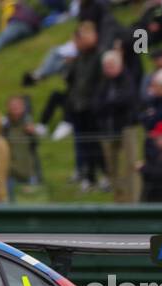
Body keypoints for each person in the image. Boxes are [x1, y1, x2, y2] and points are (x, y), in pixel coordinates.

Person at [65, 21, 105, 191]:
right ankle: (90, 177)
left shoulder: (98, 55)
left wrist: (96, 103)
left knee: (95, 144)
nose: (78, 41)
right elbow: (70, 79)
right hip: (78, 106)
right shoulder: (79, 57)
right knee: (85, 144)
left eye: (81, 37)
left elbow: (99, 82)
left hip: (92, 107)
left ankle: (105, 175)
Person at [97, 49, 141, 203]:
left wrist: (108, 104)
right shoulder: (104, 82)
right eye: (106, 66)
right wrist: (110, 104)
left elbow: (127, 100)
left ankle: (134, 202)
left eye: (111, 65)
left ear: (119, 64)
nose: (108, 69)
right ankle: (119, 201)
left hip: (126, 128)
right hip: (108, 129)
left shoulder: (127, 78)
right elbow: (96, 104)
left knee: (131, 165)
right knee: (112, 169)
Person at [3, 94, 42, 194]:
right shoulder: (4, 127)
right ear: (8, 108)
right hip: (10, 173)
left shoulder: (28, 124)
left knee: (31, 202)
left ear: (24, 107)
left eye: (18, 106)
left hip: (29, 172)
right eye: (13, 106)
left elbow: (36, 145)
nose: (15, 108)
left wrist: (33, 133)